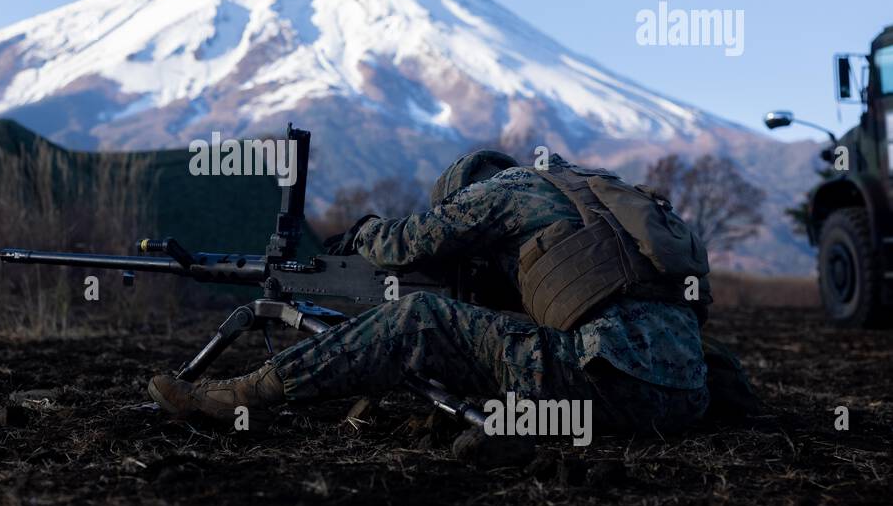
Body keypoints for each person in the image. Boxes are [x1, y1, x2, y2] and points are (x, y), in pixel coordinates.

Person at [147, 150, 712, 435]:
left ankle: (243, 396)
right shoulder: (603, 197)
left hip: (600, 386)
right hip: (689, 398)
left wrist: (364, 232)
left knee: (418, 319)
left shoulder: (510, 189)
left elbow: (403, 245)